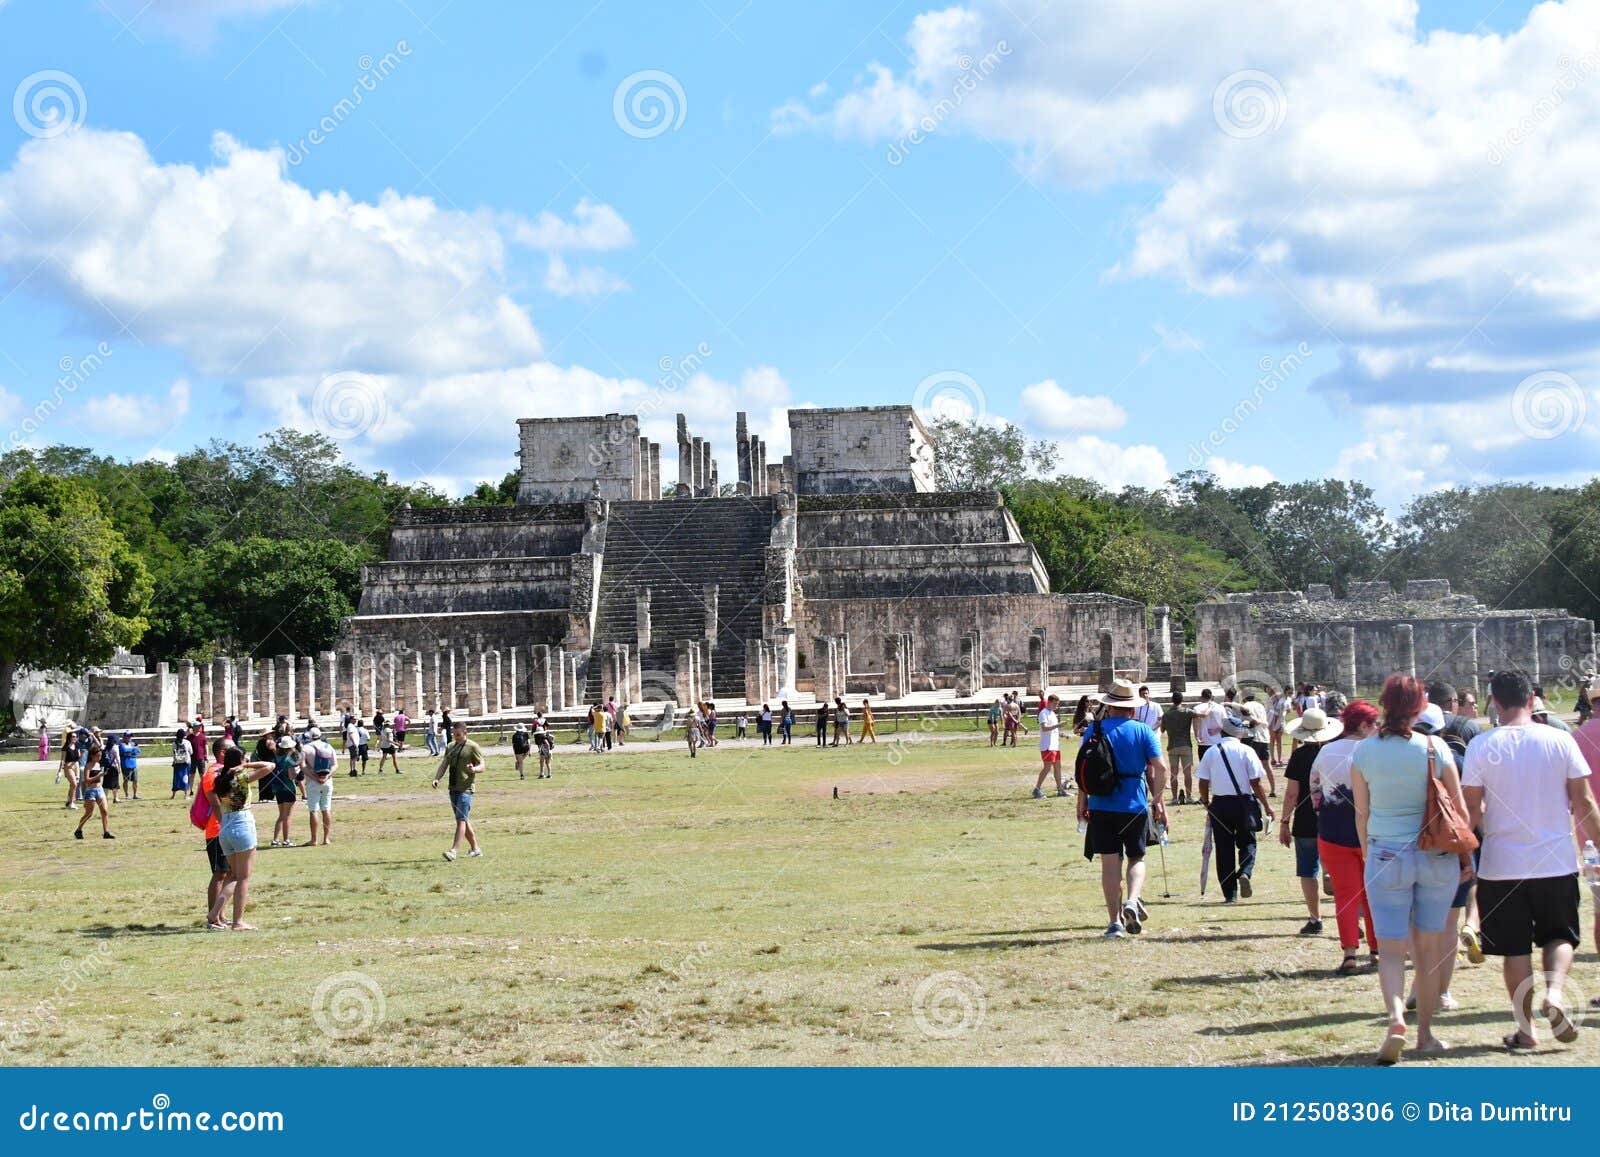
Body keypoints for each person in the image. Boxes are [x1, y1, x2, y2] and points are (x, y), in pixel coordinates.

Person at [1464, 668, 1600, 1051]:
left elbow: (1470, 810)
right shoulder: (1560, 739)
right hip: (1555, 860)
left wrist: (1460, 853)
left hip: (1501, 865)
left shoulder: (1481, 746)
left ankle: (1526, 1030)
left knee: (1514, 949)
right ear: (1531, 699)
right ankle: (1555, 992)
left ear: (1494, 702)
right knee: (1560, 935)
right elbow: (1584, 802)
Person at [1350, 674, 1469, 1063]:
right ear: (1420, 708)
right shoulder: (1436, 747)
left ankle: (1396, 1018)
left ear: (1383, 704)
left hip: (1385, 854)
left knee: (1390, 950)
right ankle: (1425, 1034)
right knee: (1427, 951)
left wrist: (1368, 853)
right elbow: (1459, 811)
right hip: (1435, 856)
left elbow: (1362, 814)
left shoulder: (1364, 753)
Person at [1076, 679, 1168, 938]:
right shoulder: (1143, 731)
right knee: (1136, 857)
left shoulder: (1093, 730)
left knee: (1109, 864)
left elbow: (1083, 768)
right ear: (1133, 708)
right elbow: (1161, 768)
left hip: (1100, 803)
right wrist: (1158, 799)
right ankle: (1132, 900)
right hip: (1134, 804)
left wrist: (1082, 801)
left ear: (1109, 706)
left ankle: (1114, 922)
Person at [1310, 700, 1380, 974]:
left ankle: (1350, 952)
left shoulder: (1326, 751)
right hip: (1372, 831)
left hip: (1333, 830)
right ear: (1363, 725)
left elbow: (1315, 788)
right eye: (1374, 724)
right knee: (1374, 894)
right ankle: (1376, 949)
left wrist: (1322, 811)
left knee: (1345, 895)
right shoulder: (1373, 750)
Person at [1196, 710, 1275, 905]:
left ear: (1222, 732)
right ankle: (1245, 872)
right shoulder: (1247, 751)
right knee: (1248, 841)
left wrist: (1206, 802)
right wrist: (1267, 806)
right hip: (1244, 803)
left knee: (1224, 849)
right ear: (1239, 733)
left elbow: (1203, 781)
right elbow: (1256, 783)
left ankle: (1229, 894)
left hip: (1220, 804)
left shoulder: (1211, 752)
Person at [1280, 707, 1343, 935]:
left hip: (1306, 819)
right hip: (1335, 818)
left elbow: (1292, 794)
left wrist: (1284, 822)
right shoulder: (1336, 754)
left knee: (1307, 870)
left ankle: (1315, 919)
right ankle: (1349, 919)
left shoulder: (1299, 756)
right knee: (1342, 869)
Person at [206, 745, 278, 930]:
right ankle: (237, 921)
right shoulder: (241, 777)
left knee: (234, 876)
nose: (246, 760)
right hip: (242, 825)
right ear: (238, 761)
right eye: (244, 758)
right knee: (243, 878)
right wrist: (246, 766)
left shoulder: (220, 779)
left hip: (225, 828)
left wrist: (239, 766)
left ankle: (214, 913)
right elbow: (270, 765)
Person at [432, 721, 485, 861]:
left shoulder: (472, 747)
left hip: (466, 789)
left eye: (458, 735)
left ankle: (453, 851)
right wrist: (437, 778)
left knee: (461, 820)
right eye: (454, 735)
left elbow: (482, 765)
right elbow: (444, 764)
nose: (456, 737)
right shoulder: (450, 746)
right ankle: (476, 849)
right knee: (463, 820)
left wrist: (474, 769)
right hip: (453, 788)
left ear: (465, 733)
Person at [300, 727, 338, 846]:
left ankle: (314, 839)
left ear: (309, 736)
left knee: (313, 810)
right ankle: (326, 838)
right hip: (327, 781)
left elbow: (302, 766)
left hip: (313, 781)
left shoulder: (306, 748)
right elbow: (335, 765)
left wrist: (313, 777)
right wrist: (327, 777)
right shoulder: (328, 746)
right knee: (326, 809)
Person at [72, 741, 114, 840]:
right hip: (90, 791)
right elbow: (87, 780)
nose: (99, 758)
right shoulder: (88, 766)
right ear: (92, 756)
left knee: (105, 811)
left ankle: (106, 832)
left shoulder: (98, 764)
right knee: (89, 814)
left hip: (100, 790)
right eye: (97, 756)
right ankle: (78, 830)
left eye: (100, 756)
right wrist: (99, 775)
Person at [266, 734, 301, 848]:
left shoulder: (276, 757)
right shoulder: (289, 759)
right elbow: (291, 776)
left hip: (278, 789)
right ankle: (286, 840)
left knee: (281, 815)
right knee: (287, 816)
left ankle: (275, 840)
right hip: (288, 788)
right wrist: (297, 771)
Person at [1160, 692, 1196, 803]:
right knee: (1187, 773)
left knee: (1173, 774)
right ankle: (1189, 797)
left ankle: (1174, 798)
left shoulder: (1166, 715)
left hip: (1172, 746)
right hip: (1186, 745)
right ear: (1182, 700)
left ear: (1172, 700)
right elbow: (1200, 715)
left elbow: (1162, 730)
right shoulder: (1187, 712)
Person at [1032, 693, 1067, 799]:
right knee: (1047, 767)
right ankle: (1037, 789)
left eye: (1057, 704)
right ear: (1050, 702)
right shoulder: (1043, 713)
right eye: (1055, 704)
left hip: (1055, 746)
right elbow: (1044, 728)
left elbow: (1054, 730)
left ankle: (1060, 790)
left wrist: (1062, 734)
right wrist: (1058, 725)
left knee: (1058, 767)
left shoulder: (1052, 713)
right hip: (1047, 745)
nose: (1056, 706)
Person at [1192, 688, 1224, 765]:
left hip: (1203, 741)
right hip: (1217, 741)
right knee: (1217, 766)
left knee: (1204, 767)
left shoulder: (1197, 708)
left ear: (1201, 697)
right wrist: (1217, 730)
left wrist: (1196, 736)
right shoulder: (1220, 707)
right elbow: (1225, 723)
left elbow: (1195, 723)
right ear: (1211, 697)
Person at [1269, 688, 1291, 767]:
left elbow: (1289, 710)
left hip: (1280, 721)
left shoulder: (1287, 700)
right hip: (1272, 721)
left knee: (1279, 740)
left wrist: (1283, 714)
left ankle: (1280, 759)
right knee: (1272, 739)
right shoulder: (1272, 699)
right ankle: (1272, 758)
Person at [170, 726, 194, 799]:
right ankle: (186, 795)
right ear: (184, 736)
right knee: (185, 778)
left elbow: (173, 753)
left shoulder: (174, 743)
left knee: (176, 778)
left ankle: (173, 795)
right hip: (186, 763)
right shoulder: (187, 742)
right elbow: (191, 752)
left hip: (177, 763)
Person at [59, 727, 80, 809]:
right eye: (73, 737)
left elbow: (78, 757)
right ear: (69, 737)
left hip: (76, 766)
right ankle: (71, 803)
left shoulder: (77, 745)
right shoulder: (66, 747)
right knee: (74, 784)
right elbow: (62, 760)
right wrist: (59, 771)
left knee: (73, 785)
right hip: (68, 767)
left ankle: (69, 801)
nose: (75, 738)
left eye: (76, 737)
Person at [117, 731, 141, 800]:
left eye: (130, 737)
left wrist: (132, 751)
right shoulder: (121, 745)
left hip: (134, 765)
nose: (129, 738)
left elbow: (138, 751)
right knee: (126, 780)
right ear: (124, 737)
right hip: (126, 765)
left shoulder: (132, 743)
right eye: (128, 736)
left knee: (135, 780)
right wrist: (133, 749)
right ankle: (127, 795)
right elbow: (124, 751)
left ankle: (135, 794)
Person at [100, 733, 123, 803]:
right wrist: (119, 767)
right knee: (115, 783)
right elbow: (118, 758)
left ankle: (104, 798)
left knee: (106, 784)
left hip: (106, 767)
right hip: (113, 767)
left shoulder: (106, 747)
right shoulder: (115, 747)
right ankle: (116, 798)